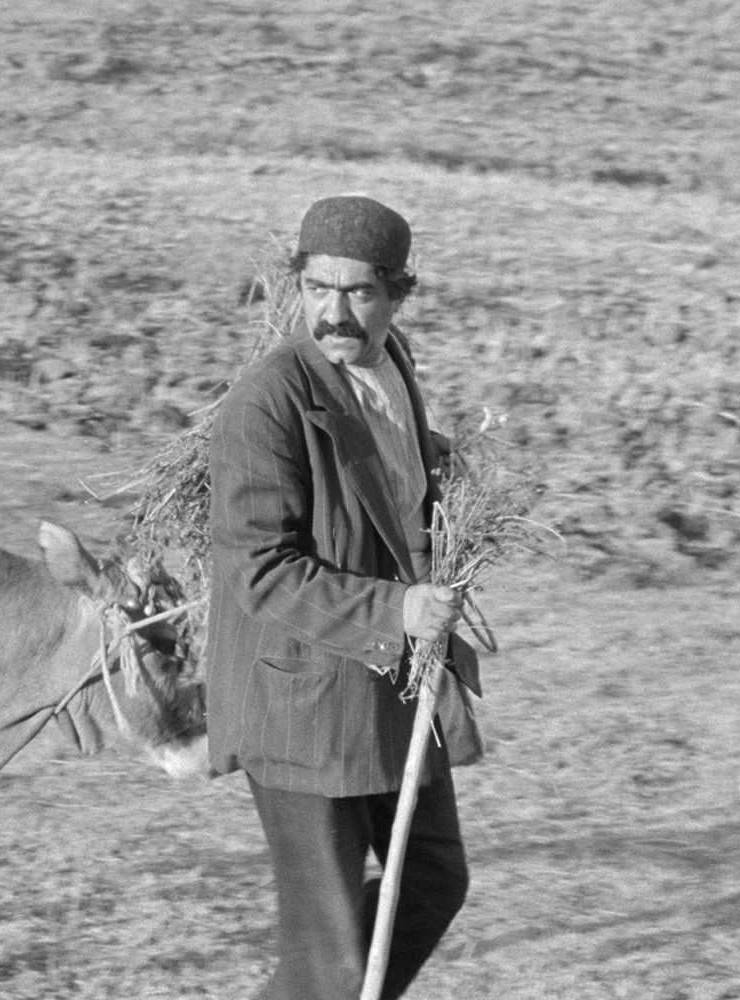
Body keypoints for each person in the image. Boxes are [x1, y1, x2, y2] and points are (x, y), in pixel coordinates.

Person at [206, 195, 484, 1000]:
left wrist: (438, 480)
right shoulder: (266, 404)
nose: (336, 313)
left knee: (433, 879)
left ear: (398, 294)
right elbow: (260, 568)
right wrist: (395, 612)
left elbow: (383, 480)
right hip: (302, 702)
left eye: (360, 292)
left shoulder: (392, 365)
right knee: (332, 961)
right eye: (319, 288)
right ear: (297, 285)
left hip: (390, 690)